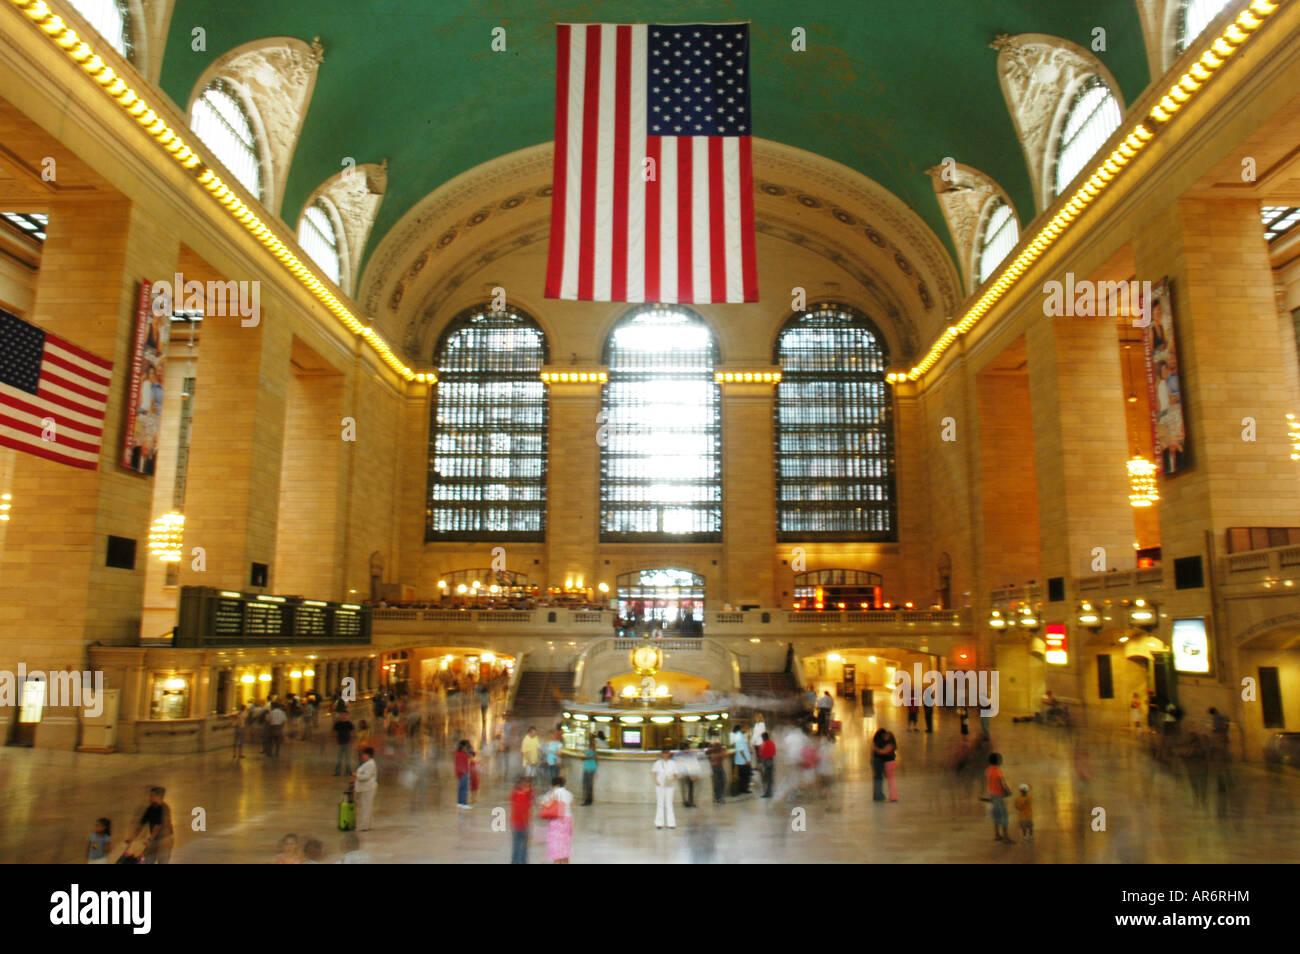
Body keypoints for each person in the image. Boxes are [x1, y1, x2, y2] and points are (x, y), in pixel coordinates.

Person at [129, 787, 174, 864]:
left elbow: (158, 826)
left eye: (152, 796)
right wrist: (132, 837)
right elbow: (141, 824)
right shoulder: (151, 808)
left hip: (165, 840)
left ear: (159, 797)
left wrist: (150, 839)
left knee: (162, 860)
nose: (150, 798)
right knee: (147, 859)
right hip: (154, 839)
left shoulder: (164, 808)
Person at [540, 776, 573, 863]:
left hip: (557, 820)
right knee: (565, 844)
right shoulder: (569, 793)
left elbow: (548, 805)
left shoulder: (556, 792)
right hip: (568, 820)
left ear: (554, 785)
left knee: (556, 845)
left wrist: (541, 802)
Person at [986, 753, 1013, 843]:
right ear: (998, 761)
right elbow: (1003, 783)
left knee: (996, 815)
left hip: (992, 795)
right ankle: (1005, 837)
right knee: (1004, 815)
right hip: (999, 796)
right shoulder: (998, 771)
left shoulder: (988, 770)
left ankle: (997, 834)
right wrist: (1008, 791)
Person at [509, 776, 533, 864]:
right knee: (523, 846)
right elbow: (531, 795)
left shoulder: (515, 794)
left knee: (516, 845)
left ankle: (514, 861)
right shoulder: (525, 797)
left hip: (515, 824)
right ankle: (522, 861)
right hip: (523, 825)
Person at [353, 746, 378, 831]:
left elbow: (367, 776)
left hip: (368, 788)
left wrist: (357, 776)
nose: (362, 756)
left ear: (368, 755)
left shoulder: (370, 764)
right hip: (366, 788)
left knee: (366, 807)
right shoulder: (368, 763)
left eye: (364, 754)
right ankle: (368, 824)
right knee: (368, 807)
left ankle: (364, 825)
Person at [653, 749, 678, 829]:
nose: (666, 755)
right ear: (662, 754)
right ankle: (659, 823)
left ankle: (671, 823)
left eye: (667, 753)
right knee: (660, 803)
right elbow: (654, 772)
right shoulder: (658, 763)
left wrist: (673, 777)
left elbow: (676, 774)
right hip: (660, 784)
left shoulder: (673, 763)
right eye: (664, 753)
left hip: (669, 785)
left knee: (669, 803)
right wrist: (656, 781)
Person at [871, 727, 898, 802]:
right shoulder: (883, 743)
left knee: (888, 779)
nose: (885, 737)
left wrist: (875, 748)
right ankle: (881, 795)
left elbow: (882, 752)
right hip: (885, 762)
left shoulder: (889, 744)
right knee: (883, 779)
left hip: (888, 763)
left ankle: (892, 796)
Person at [731, 723, 753, 795]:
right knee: (744, 775)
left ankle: (744, 788)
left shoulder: (741, 735)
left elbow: (744, 746)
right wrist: (746, 759)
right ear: (742, 728)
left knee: (745, 775)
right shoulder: (739, 736)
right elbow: (741, 749)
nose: (747, 730)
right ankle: (743, 789)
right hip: (742, 760)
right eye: (746, 728)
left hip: (744, 759)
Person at [333, 708, 354, 776]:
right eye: (343, 715)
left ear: (347, 715)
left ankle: (348, 771)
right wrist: (335, 739)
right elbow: (334, 731)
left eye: (345, 715)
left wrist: (351, 740)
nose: (344, 716)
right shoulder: (338, 723)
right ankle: (337, 771)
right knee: (339, 758)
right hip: (340, 742)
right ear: (341, 715)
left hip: (347, 742)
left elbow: (352, 732)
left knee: (347, 758)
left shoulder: (349, 723)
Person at [707, 739, 727, 804]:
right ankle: (719, 798)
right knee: (720, 783)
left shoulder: (712, 753)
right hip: (717, 768)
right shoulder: (716, 753)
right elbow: (722, 757)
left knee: (718, 783)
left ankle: (719, 797)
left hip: (717, 768)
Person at [454, 739, 473, 809]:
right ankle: (464, 803)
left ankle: (460, 802)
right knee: (464, 789)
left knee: (461, 788)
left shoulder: (459, 753)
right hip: (463, 773)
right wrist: (463, 771)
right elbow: (460, 763)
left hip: (461, 773)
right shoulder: (461, 754)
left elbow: (470, 756)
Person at [758, 732, 777, 798]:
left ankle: (767, 793)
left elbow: (761, 753)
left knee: (766, 778)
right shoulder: (772, 743)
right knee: (770, 778)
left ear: (764, 737)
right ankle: (770, 792)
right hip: (771, 760)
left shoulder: (764, 744)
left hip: (766, 761)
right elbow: (774, 752)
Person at [581, 738, 598, 806]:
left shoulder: (590, 752)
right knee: (589, 785)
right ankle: (589, 799)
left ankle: (587, 799)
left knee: (587, 785)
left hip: (588, 768)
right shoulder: (594, 752)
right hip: (591, 768)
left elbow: (583, 757)